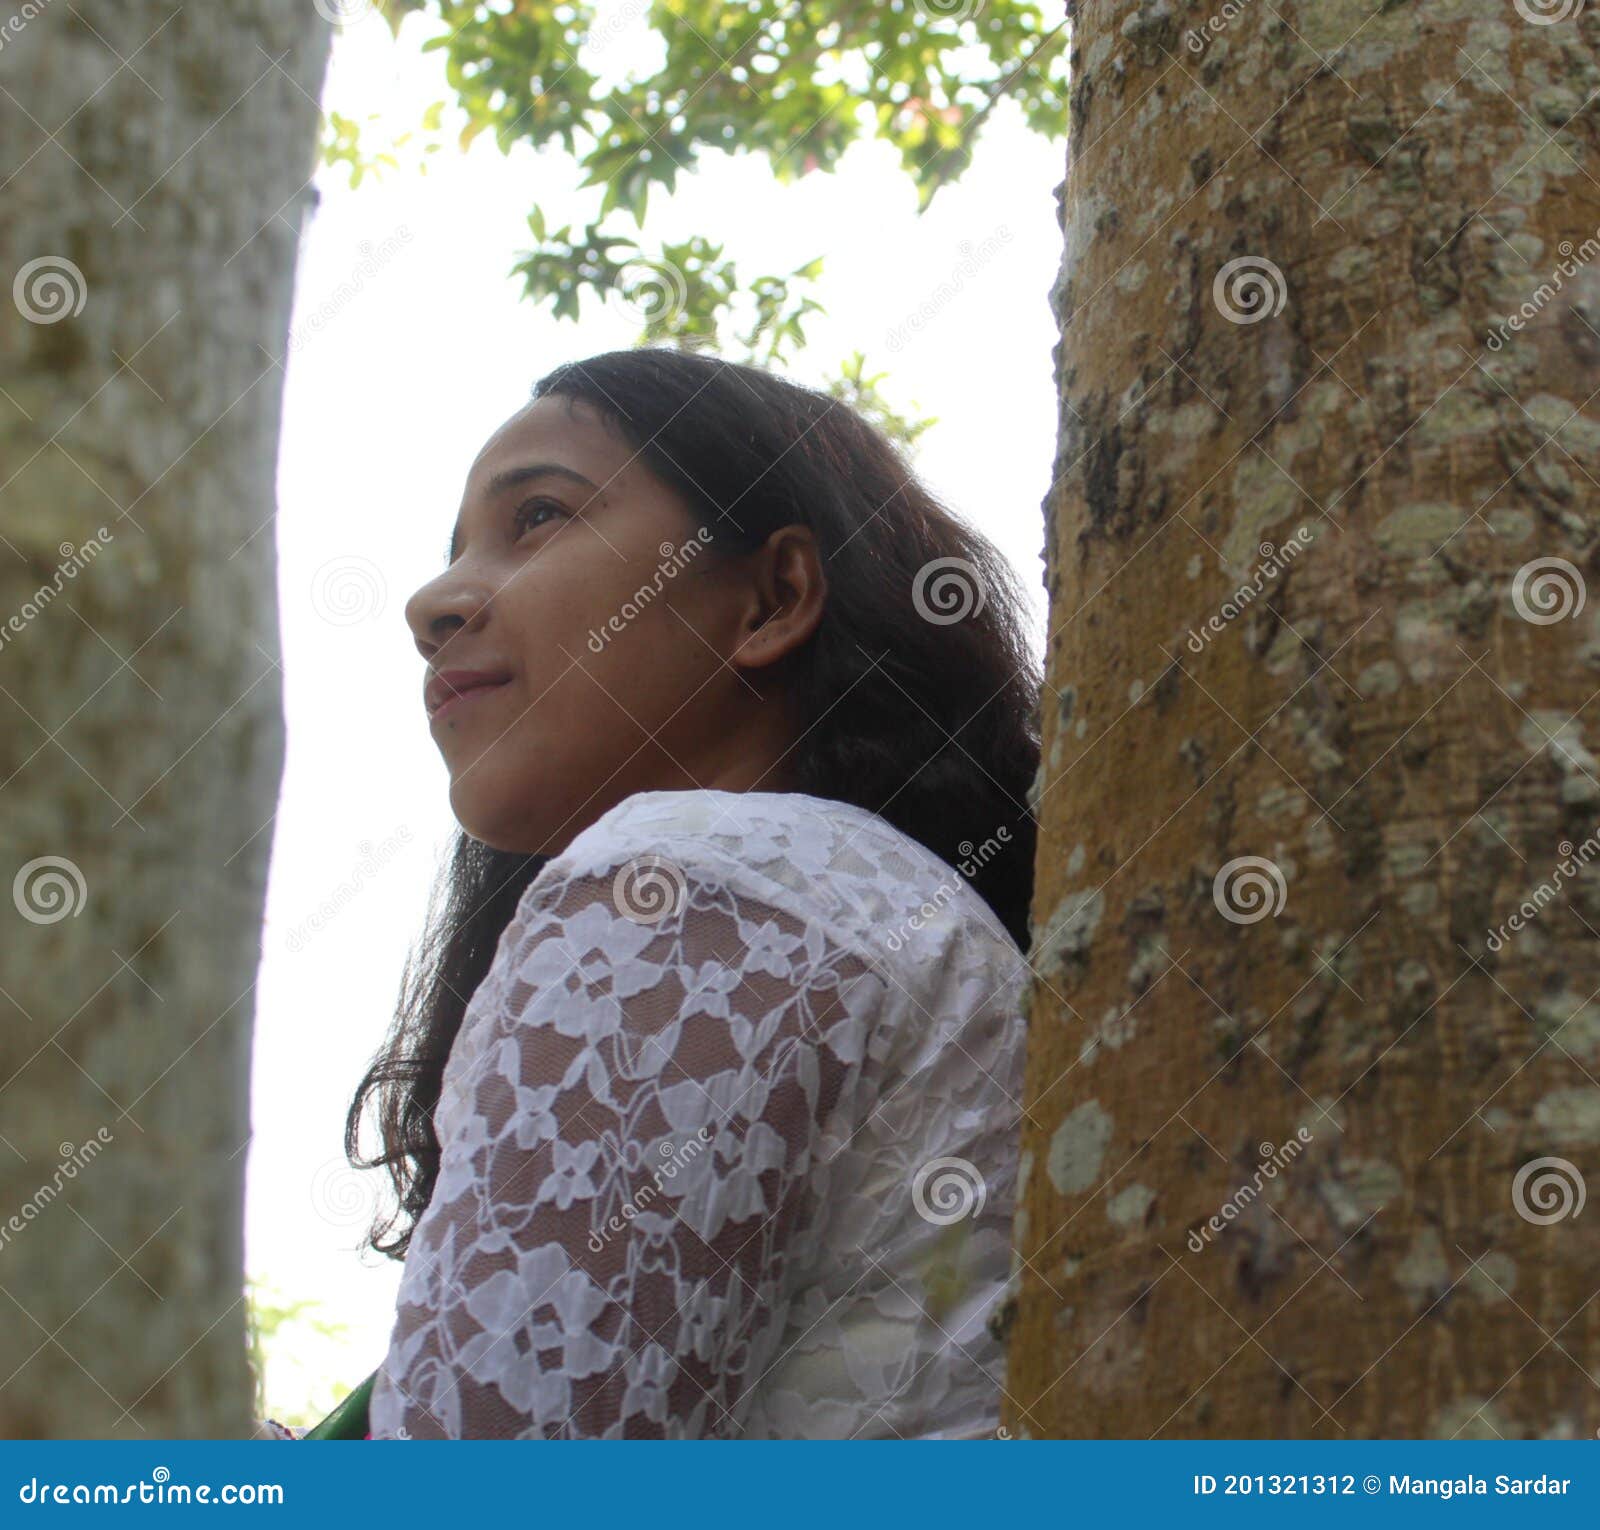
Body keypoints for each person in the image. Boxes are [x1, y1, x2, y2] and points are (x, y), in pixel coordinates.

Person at [347, 346, 1042, 1439]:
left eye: (538, 516)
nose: (432, 603)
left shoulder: (694, 878)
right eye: (454, 550)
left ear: (773, 597)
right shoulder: (883, 915)